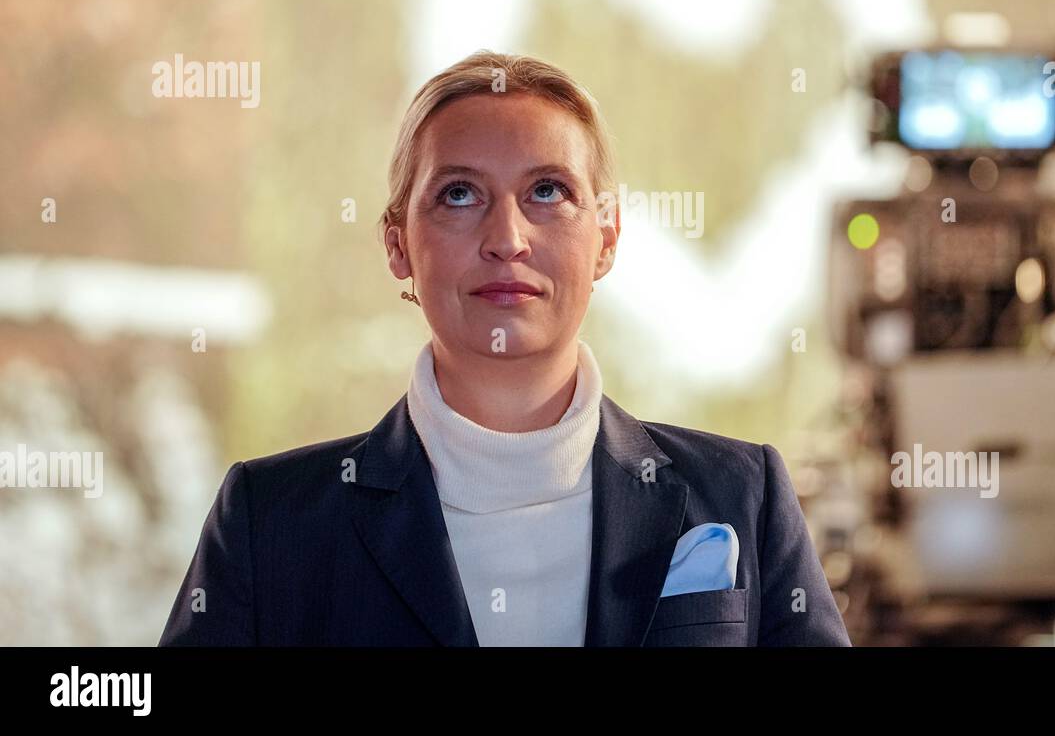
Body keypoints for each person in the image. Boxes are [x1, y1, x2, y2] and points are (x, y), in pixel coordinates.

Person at [159, 50, 851, 646]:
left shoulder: (741, 495)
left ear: (606, 238)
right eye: (460, 194)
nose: (508, 238)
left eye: (547, 191)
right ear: (398, 243)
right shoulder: (271, 521)